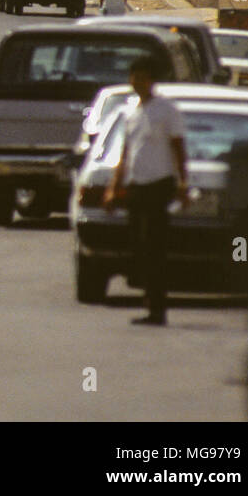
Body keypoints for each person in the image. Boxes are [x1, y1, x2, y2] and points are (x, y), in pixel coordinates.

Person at [104, 56, 188, 326]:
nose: (135, 82)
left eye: (141, 77)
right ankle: (150, 301)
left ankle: (157, 308)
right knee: (139, 247)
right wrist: (113, 187)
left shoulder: (166, 110)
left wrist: (183, 183)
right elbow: (126, 153)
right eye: (133, 77)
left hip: (159, 186)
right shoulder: (131, 111)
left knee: (154, 248)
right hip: (136, 187)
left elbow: (178, 148)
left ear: (151, 80)